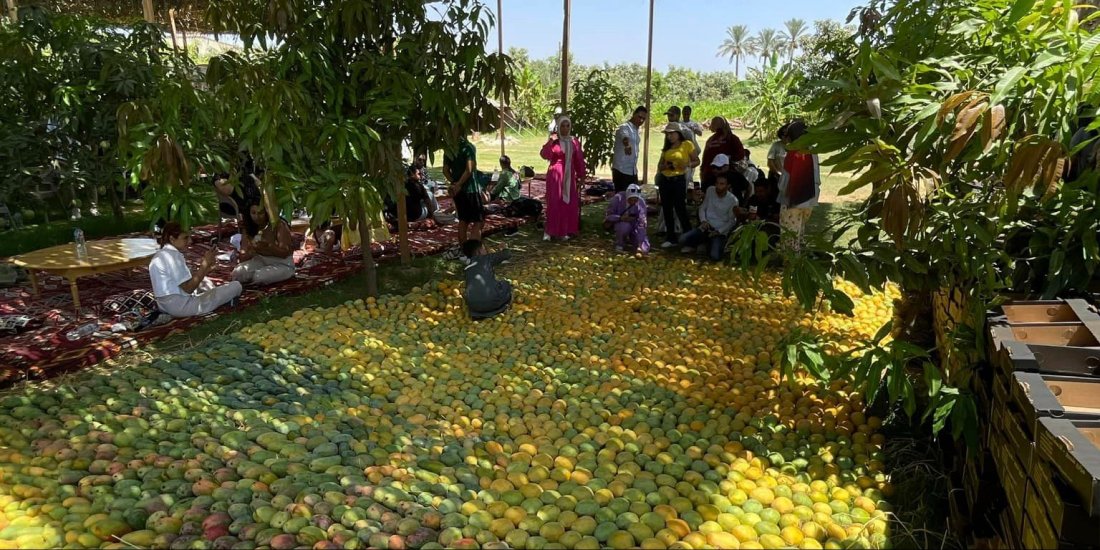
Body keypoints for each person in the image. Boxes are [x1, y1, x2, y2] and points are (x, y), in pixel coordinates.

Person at [149, 222, 242, 318]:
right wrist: (204, 265)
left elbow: (186, 281)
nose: (190, 241)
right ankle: (225, 301)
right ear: (172, 239)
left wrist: (207, 268)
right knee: (236, 286)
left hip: (165, 306)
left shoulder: (161, 254)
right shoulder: (172, 256)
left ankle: (219, 299)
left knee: (206, 283)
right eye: (185, 238)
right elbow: (188, 288)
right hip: (180, 307)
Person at [540, 116, 587, 241]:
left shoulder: (574, 141)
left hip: (569, 174)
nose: (565, 129)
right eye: (562, 126)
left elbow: (579, 160)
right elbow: (545, 154)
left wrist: (582, 175)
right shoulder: (555, 141)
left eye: (567, 126)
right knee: (555, 201)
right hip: (555, 173)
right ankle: (550, 230)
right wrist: (550, 141)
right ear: (558, 127)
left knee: (568, 201)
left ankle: (565, 230)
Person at [778, 121, 820, 251]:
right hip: (809, 199)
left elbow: (785, 181)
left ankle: (790, 265)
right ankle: (800, 261)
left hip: (792, 200)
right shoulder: (812, 152)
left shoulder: (791, 153)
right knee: (800, 232)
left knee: (789, 236)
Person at [232, 202, 296, 285]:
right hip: (260, 260)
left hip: (282, 263)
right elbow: (243, 257)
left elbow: (285, 253)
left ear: (267, 212)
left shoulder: (279, 225)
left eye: (260, 213)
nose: (257, 217)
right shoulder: (248, 228)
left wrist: (269, 247)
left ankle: (286, 274)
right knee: (237, 273)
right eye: (253, 213)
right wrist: (251, 251)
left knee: (259, 277)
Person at [657, 122, 699, 248]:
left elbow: (696, 160)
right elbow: (660, 166)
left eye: (672, 133)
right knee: (667, 209)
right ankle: (671, 237)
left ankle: (688, 238)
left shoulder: (687, 145)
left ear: (678, 133)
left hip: (679, 180)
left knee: (680, 208)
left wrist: (687, 165)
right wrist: (668, 166)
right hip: (665, 180)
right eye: (667, 134)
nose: (669, 136)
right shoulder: (666, 149)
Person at [443, 135, 488, 252]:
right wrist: (459, 184)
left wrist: (454, 182)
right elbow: (469, 170)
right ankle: (474, 251)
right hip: (470, 189)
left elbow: (445, 170)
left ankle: (464, 249)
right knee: (478, 221)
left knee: (463, 220)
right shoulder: (468, 147)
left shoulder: (449, 148)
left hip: (458, 191)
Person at [679, 173, 739, 261]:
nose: (718, 186)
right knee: (682, 239)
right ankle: (703, 243)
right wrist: (703, 221)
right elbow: (703, 207)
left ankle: (707, 244)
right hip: (706, 227)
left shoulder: (733, 200)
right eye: (717, 183)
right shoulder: (710, 190)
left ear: (728, 186)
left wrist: (719, 231)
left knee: (715, 256)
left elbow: (732, 221)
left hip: (718, 231)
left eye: (722, 184)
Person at [461, 239, 513, 320]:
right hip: (493, 301)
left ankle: (479, 314)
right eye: (484, 249)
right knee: (505, 284)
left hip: (474, 307)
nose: (486, 251)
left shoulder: (467, 269)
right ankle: (500, 308)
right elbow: (507, 254)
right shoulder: (486, 259)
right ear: (479, 252)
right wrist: (504, 247)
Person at [701, 117, 746, 190]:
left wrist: (728, 160)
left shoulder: (731, 138)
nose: (711, 126)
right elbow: (705, 158)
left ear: (720, 124)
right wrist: (703, 172)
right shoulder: (711, 139)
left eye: (713, 123)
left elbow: (740, 155)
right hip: (710, 175)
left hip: (726, 176)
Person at [605, 184, 650, 254]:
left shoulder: (641, 202)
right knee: (623, 227)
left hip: (635, 225)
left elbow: (642, 222)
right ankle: (620, 243)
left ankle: (635, 242)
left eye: (636, 200)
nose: (633, 202)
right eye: (631, 200)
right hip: (621, 222)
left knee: (644, 247)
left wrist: (640, 243)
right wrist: (620, 218)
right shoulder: (618, 198)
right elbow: (608, 216)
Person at [612, 107, 647, 192]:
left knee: (634, 196)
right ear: (634, 114)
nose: (641, 120)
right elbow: (625, 137)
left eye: (644, 119)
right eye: (640, 117)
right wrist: (627, 145)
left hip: (632, 170)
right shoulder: (624, 127)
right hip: (621, 169)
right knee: (622, 197)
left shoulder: (636, 130)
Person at [738, 179, 782, 245]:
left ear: (768, 189)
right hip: (752, 228)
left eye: (761, 191)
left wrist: (761, 220)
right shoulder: (753, 199)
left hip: (770, 231)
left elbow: (777, 221)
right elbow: (747, 211)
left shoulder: (776, 202)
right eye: (756, 191)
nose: (758, 194)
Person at [1068, 105, 1098, 182]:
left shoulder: (1082, 131)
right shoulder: (1096, 133)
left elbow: (1072, 152)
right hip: (1095, 177)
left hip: (1082, 176)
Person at [681, 106, 704, 187]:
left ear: (690, 113)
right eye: (684, 112)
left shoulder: (693, 123)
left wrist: (694, 128)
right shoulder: (680, 123)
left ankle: (690, 186)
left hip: (692, 149)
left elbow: (700, 133)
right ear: (682, 112)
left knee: (690, 170)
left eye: (688, 112)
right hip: (682, 150)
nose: (686, 114)